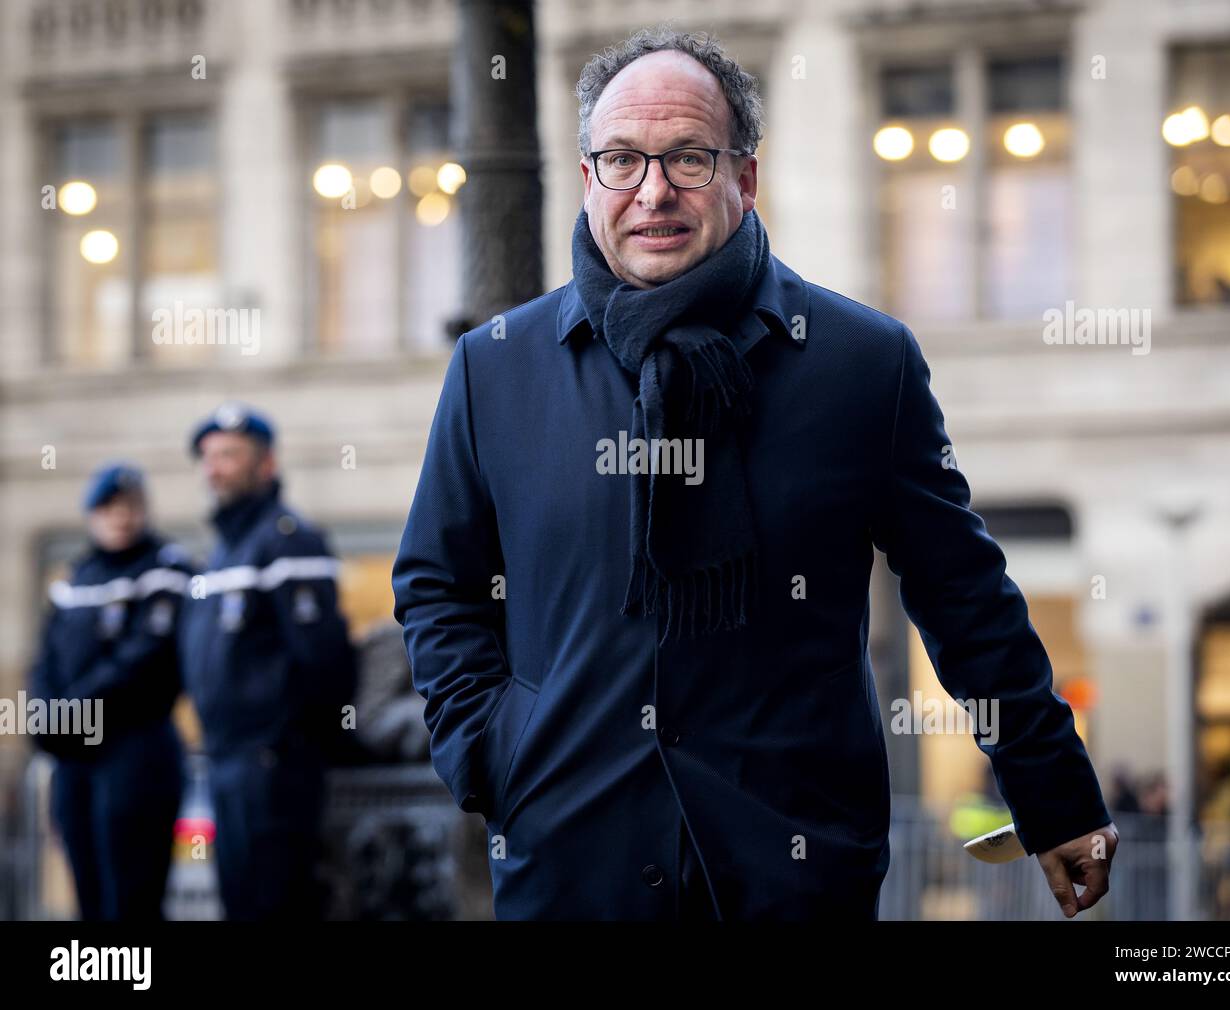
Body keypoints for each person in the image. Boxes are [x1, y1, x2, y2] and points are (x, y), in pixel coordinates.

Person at [392, 26, 1118, 921]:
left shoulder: (862, 363)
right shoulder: (494, 368)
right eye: (622, 160)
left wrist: (1056, 795)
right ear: (588, 180)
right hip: (571, 865)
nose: (653, 191)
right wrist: (491, 749)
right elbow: (436, 585)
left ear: (745, 176)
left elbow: (964, 595)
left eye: (689, 159)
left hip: (793, 871)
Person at [180, 402, 356, 920]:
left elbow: (323, 658)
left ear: (266, 464)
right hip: (226, 759)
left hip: (273, 764)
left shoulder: (285, 538)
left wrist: (289, 740)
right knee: (241, 903)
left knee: (274, 903)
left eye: (230, 455)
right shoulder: (223, 552)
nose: (215, 469)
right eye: (209, 457)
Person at [27, 463, 190, 920]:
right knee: (89, 894)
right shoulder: (73, 581)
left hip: (136, 751)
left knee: (132, 896)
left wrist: (70, 714)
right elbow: (44, 663)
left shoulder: (166, 569)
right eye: (109, 508)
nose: (121, 517)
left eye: (131, 506)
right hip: (76, 758)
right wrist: (43, 720)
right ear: (91, 515)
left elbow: (140, 662)